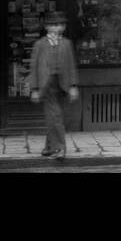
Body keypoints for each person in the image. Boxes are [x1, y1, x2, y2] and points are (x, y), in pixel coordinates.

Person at [29, 10, 78, 160]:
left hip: (62, 84)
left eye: (62, 25)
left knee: (56, 116)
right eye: (55, 25)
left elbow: (71, 65)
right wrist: (34, 89)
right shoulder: (40, 44)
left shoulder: (67, 43)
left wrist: (73, 85)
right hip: (47, 85)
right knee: (55, 116)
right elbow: (34, 66)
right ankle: (59, 148)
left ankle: (49, 147)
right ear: (47, 27)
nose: (59, 28)